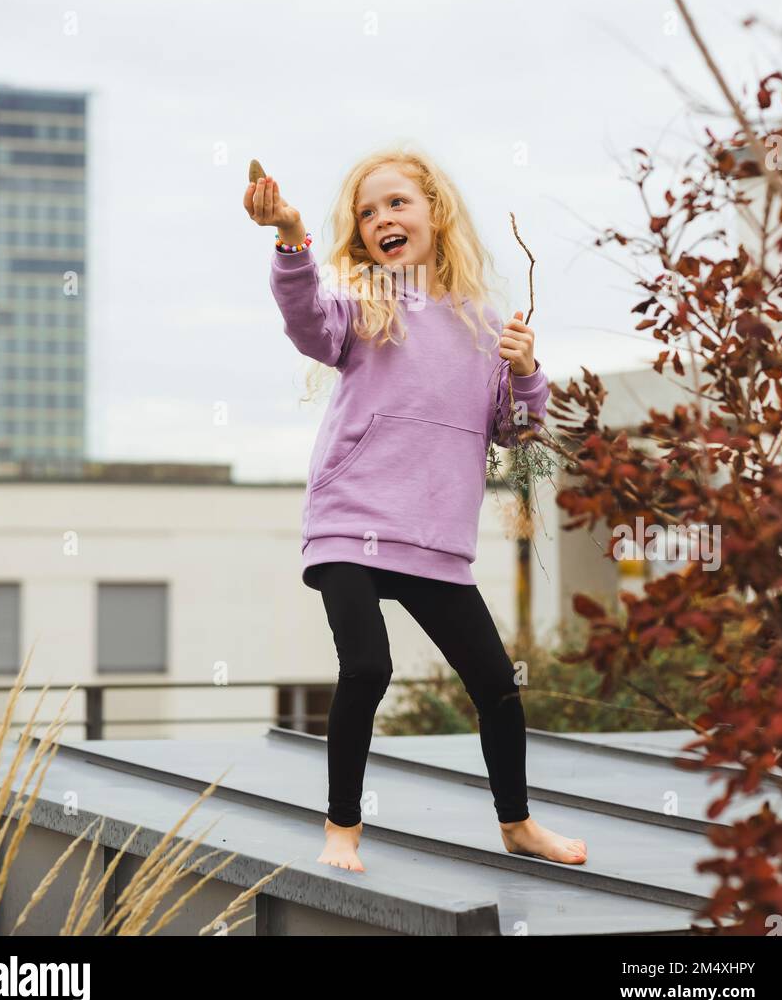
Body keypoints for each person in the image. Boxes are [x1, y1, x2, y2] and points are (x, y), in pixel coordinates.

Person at [244, 146, 587, 872]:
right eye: (367, 213)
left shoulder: (484, 325)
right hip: (350, 523)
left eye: (396, 203)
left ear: (435, 211)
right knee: (367, 666)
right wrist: (291, 238)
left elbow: (517, 435)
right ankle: (343, 829)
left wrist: (525, 372)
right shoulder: (363, 304)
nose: (381, 220)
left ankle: (518, 824)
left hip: (435, 538)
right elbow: (307, 321)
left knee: (496, 684)